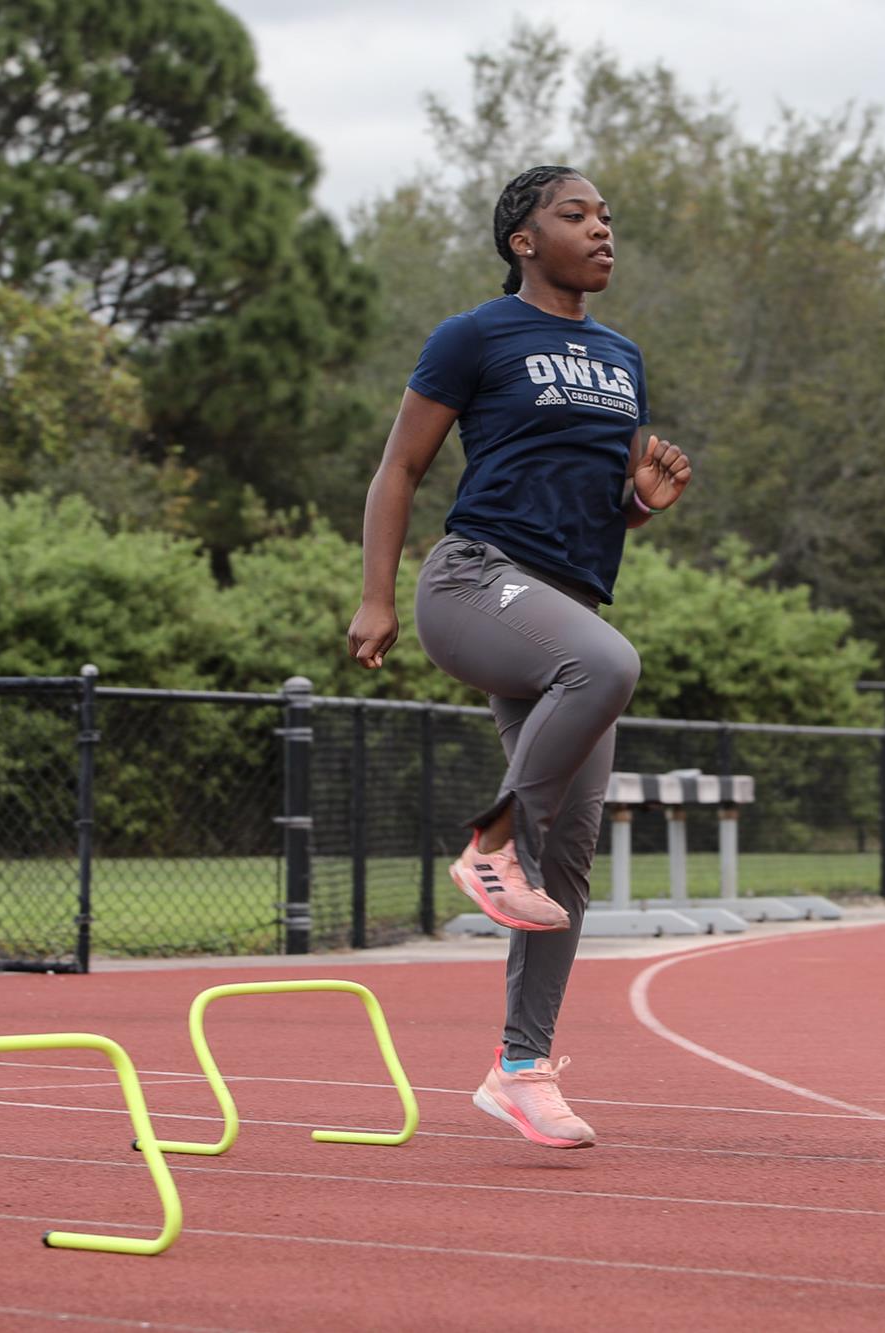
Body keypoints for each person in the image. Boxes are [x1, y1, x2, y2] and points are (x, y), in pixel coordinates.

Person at [346, 166, 690, 1150]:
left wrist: (637, 508)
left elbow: (588, 495)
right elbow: (399, 466)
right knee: (609, 666)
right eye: (575, 214)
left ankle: (520, 1068)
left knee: (565, 869)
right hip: (472, 582)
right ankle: (487, 842)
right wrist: (375, 594)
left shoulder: (620, 355)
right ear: (523, 240)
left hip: (560, 609)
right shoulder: (474, 337)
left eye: (608, 216)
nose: (601, 228)